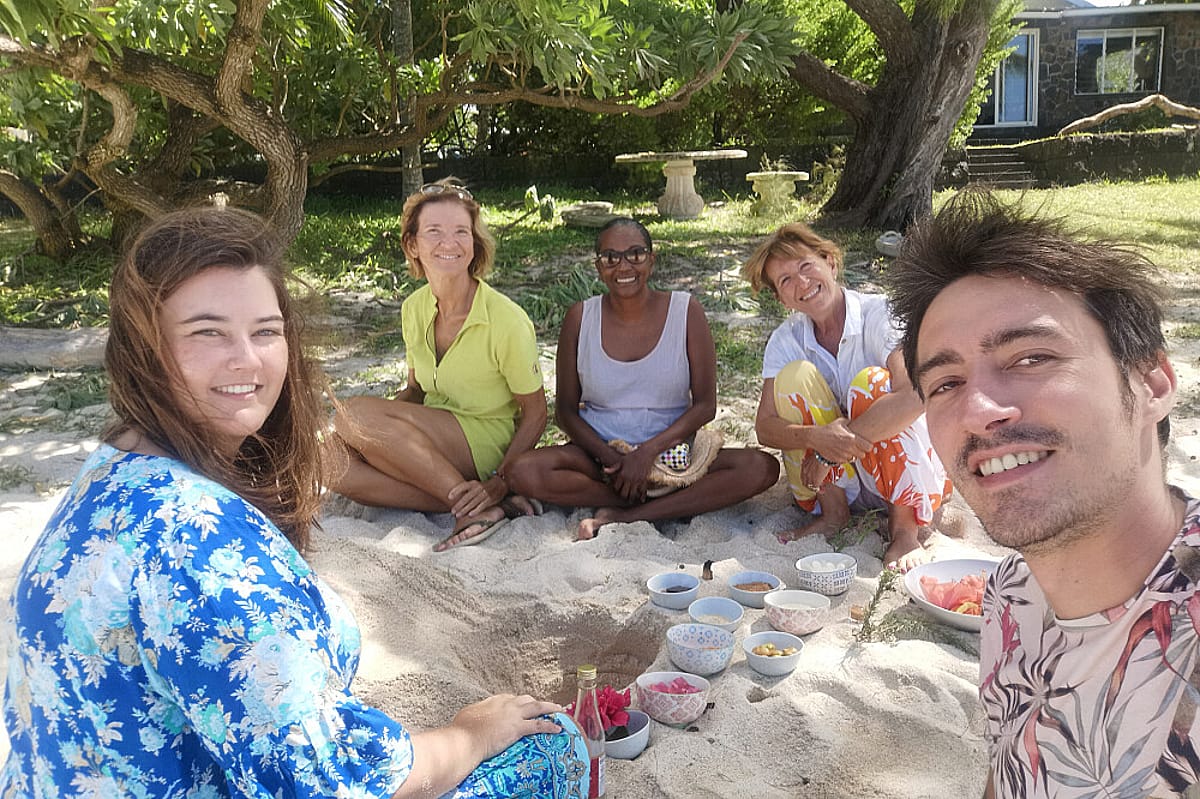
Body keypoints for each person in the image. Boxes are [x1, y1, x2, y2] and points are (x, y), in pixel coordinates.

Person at [0, 207, 587, 798]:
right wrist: (471, 733)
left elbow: (536, 408)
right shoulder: (206, 546)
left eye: (265, 331)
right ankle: (464, 502)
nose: (247, 359)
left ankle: (471, 498)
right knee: (553, 742)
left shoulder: (106, 472)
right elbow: (338, 785)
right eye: (208, 331)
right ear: (143, 348)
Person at [888, 192, 1196, 799]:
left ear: (1152, 383)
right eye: (946, 383)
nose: (978, 411)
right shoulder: (1011, 591)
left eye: (1031, 357)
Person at [506, 217, 779, 540]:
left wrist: (646, 454)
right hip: (600, 458)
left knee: (762, 468)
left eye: (635, 254)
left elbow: (705, 405)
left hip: (675, 454)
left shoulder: (685, 311)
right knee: (523, 471)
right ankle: (647, 501)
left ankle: (632, 514)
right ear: (598, 266)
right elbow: (565, 411)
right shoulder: (581, 318)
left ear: (651, 259)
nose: (623, 266)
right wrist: (615, 460)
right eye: (610, 257)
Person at [331, 180, 548, 552]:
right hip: (432, 440)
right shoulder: (414, 308)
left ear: (474, 243)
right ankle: (470, 502)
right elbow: (416, 390)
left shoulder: (507, 320)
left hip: (487, 443)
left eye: (461, 231)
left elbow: (537, 414)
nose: (450, 242)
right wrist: (377, 440)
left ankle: (479, 502)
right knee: (327, 458)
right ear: (412, 244)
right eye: (434, 231)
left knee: (351, 414)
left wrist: (500, 480)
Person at [742, 222, 952, 571]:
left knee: (870, 383)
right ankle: (833, 514)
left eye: (806, 267)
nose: (802, 284)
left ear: (830, 262)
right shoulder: (786, 339)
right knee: (795, 378)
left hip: (907, 480)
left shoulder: (877, 314)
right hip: (834, 484)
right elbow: (765, 427)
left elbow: (914, 395)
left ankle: (903, 530)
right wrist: (816, 438)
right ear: (780, 298)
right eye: (786, 281)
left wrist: (831, 450)